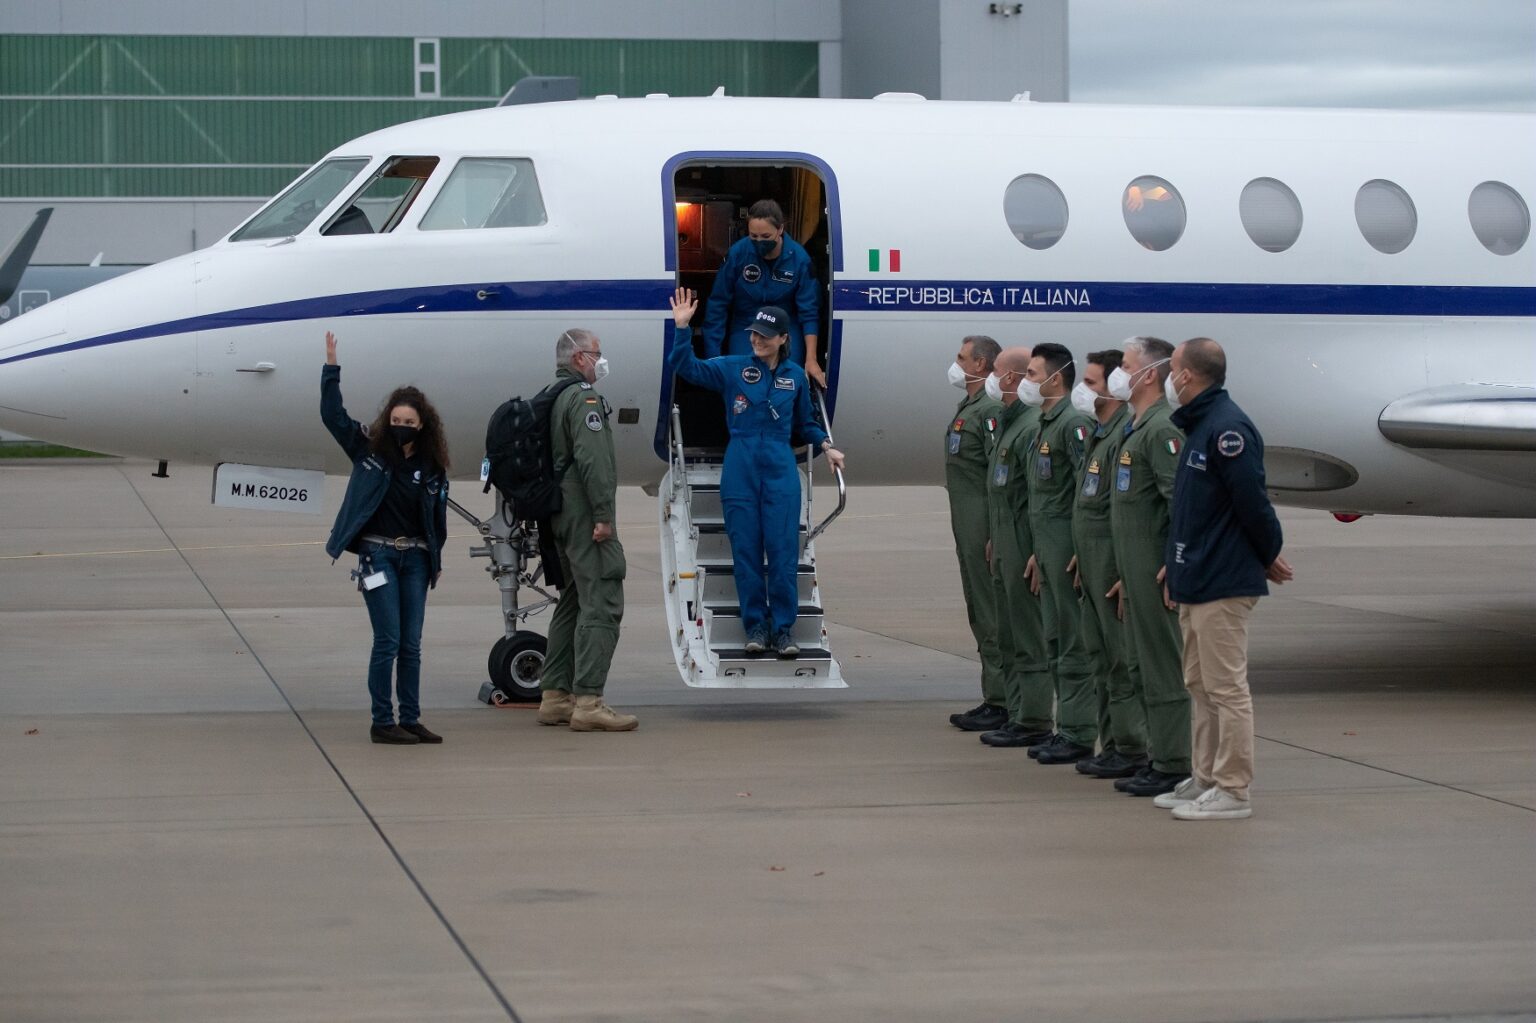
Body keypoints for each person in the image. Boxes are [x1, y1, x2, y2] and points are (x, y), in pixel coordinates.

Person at [669, 289, 845, 655]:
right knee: (746, 553)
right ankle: (756, 628)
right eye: (753, 334)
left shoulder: (795, 377)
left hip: (780, 470)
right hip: (741, 468)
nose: (756, 340)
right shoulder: (733, 367)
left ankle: (783, 630)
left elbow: (807, 423)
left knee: (782, 555)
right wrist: (682, 329)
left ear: (783, 339)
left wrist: (827, 447)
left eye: (764, 336)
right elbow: (688, 368)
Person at [1161, 337, 1292, 820]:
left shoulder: (1226, 429)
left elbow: (1253, 504)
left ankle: (1234, 790)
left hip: (1222, 579)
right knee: (1199, 683)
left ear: (1188, 376)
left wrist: (1268, 553)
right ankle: (1206, 777)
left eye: (1172, 368)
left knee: (1225, 688)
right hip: (1197, 576)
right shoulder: (1201, 425)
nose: (1167, 376)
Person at [321, 331, 450, 745]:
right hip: (378, 556)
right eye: (395, 422)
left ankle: (410, 718)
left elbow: (437, 520)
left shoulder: (432, 467)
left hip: (416, 559)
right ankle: (382, 721)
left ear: (421, 425)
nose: (400, 428)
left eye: (408, 423)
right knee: (388, 640)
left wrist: (435, 560)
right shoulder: (370, 450)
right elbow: (332, 417)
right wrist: (331, 368)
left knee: (411, 645)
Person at [536, 327, 638, 732]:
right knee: (603, 597)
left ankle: (556, 696)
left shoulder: (554, 395)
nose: (601, 359)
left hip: (560, 513)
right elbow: (594, 462)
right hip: (583, 512)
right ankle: (589, 700)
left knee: (574, 599)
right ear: (579, 358)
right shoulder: (584, 399)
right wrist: (603, 516)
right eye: (597, 353)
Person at [1107, 337, 1191, 798]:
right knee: (1141, 665)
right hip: (1134, 567)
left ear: (1150, 373)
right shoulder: (1135, 426)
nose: (1121, 373)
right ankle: (1157, 755)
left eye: (1126, 365)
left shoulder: (1161, 430)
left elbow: (1180, 501)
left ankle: (1175, 761)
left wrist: (1172, 563)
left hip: (1155, 572)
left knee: (1162, 666)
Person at [1068, 348, 1150, 779]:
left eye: (1092, 382)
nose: (1083, 390)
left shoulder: (1124, 435)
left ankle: (1133, 746)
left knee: (1121, 661)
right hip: (1094, 563)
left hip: (1114, 565)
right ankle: (1113, 743)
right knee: (1100, 657)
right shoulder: (1100, 434)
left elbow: (1128, 511)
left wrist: (1120, 569)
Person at [1020, 342, 1098, 765]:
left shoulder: (1072, 425)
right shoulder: (1045, 424)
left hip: (1067, 552)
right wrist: (1036, 551)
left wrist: (1078, 549)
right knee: (1053, 638)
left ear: (1055, 378)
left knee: (1071, 643)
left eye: (1032, 375)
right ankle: (1064, 726)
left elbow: (1085, 493)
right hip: (1047, 551)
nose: (1026, 382)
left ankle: (1080, 731)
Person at [977, 347, 1055, 749]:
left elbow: (1039, 499)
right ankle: (1017, 712)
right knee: (1008, 632)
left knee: (1027, 635)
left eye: (994, 371)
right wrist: (995, 537)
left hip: (1023, 543)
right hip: (1006, 541)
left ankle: (1035, 718)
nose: (989, 377)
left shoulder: (1027, 428)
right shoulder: (1008, 423)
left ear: (1011, 378)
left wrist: (1034, 550)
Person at [943, 335, 1008, 732]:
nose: (956, 362)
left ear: (981, 364)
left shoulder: (989, 411)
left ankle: (1002, 701)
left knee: (991, 614)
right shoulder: (969, 406)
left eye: (962, 357)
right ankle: (995, 695)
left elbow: (998, 477)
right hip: (968, 531)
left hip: (983, 530)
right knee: (979, 611)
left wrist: (994, 533)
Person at [703, 199, 824, 384]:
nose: (759, 241)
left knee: (787, 381)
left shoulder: (799, 259)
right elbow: (718, 304)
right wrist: (713, 357)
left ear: (780, 229)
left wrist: (811, 359)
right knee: (744, 381)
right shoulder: (738, 254)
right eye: (754, 236)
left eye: (766, 236)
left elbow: (809, 312)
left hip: (785, 327)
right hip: (746, 325)